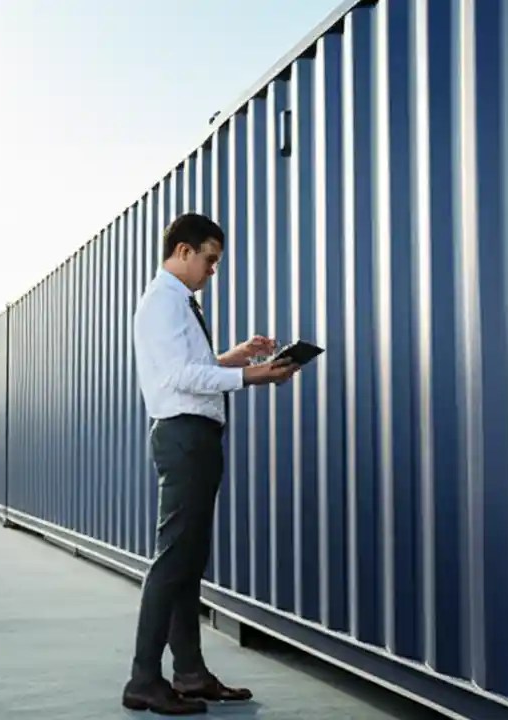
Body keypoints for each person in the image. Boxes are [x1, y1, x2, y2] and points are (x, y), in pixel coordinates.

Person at [122, 212, 300, 715]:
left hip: (195, 436)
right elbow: (180, 378)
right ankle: (143, 679)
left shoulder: (178, 303)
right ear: (183, 251)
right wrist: (254, 377)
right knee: (173, 560)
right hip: (184, 438)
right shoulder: (162, 303)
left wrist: (238, 357)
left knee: (188, 560)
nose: (212, 270)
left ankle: (191, 674)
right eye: (210, 259)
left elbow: (193, 369)